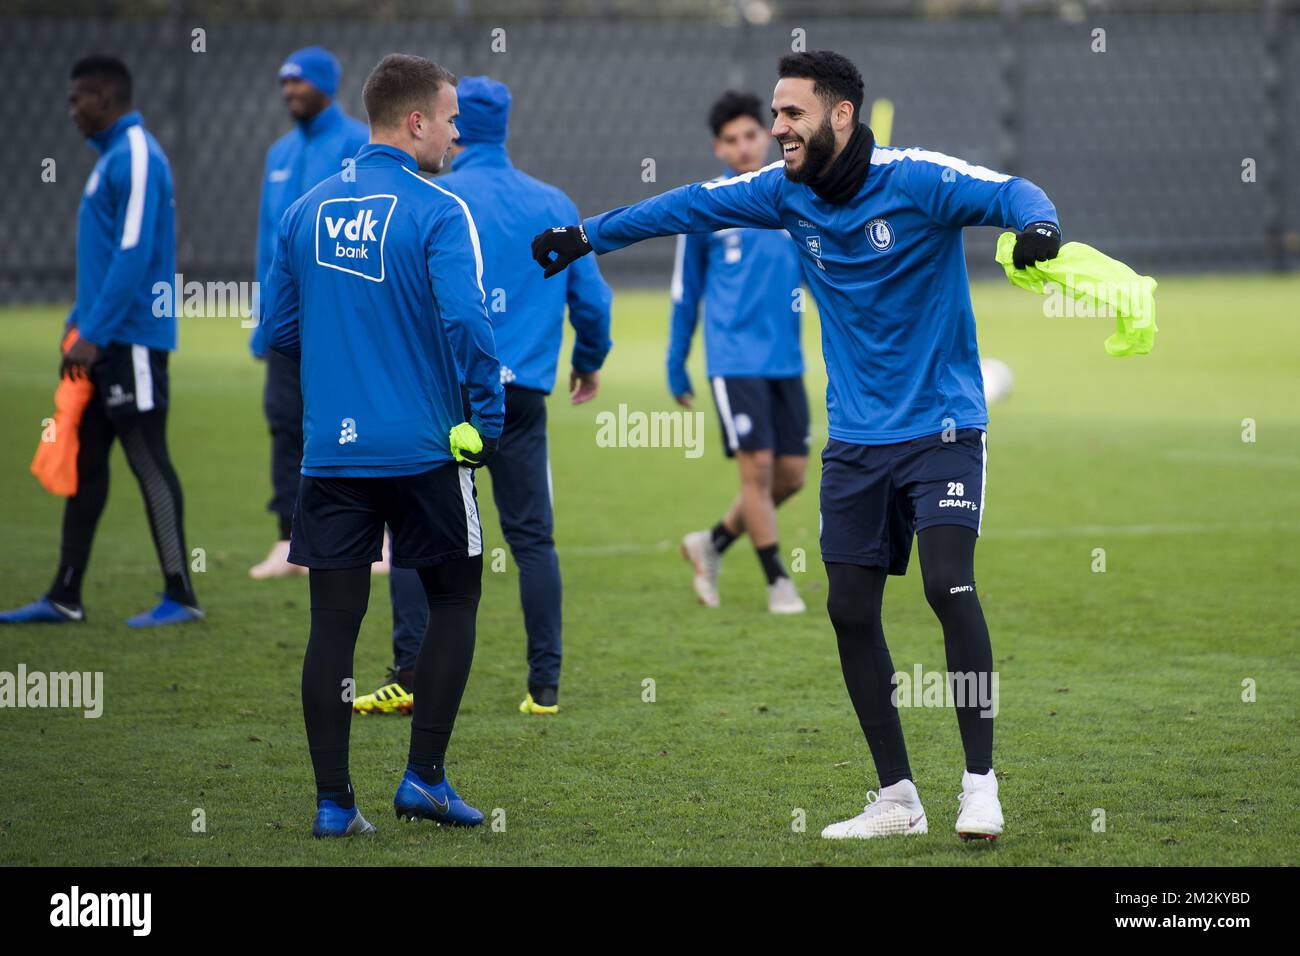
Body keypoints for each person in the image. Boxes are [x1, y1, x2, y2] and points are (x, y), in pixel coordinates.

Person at [531, 50, 1064, 842]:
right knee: (850, 610)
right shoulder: (783, 194)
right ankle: (898, 800)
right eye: (775, 115)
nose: (777, 129)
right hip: (855, 438)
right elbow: (685, 207)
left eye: (791, 114)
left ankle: (980, 786)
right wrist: (587, 237)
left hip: (945, 426)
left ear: (840, 115)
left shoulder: (918, 179)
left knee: (948, 586)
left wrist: (1038, 226)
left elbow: (1014, 191)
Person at [258, 53, 504, 837]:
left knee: (332, 625)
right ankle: (424, 778)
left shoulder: (303, 212)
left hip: (331, 454)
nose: (457, 133)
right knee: (456, 599)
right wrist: (488, 421)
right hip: (427, 450)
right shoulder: (437, 210)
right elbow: (468, 324)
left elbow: (279, 332)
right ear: (417, 122)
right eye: (451, 117)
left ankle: (334, 804)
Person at [353, 76, 612, 719]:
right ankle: (543, 687)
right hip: (521, 396)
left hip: (444, 397)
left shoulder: (432, 196)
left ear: (456, 126)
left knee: (416, 535)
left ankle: (409, 675)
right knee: (532, 541)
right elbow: (595, 304)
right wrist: (587, 363)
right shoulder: (551, 201)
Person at [1, 56, 202, 629]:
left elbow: (134, 253)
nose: (71, 112)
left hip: (131, 341)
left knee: (148, 459)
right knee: (87, 464)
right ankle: (65, 595)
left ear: (104, 97)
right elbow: (103, 259)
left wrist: (94, 333)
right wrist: (77, 325)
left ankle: (181, 594)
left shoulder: (136, 154)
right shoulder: (111, 158)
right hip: (101, 338)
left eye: (76, 100)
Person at [670, 91, 809, 615]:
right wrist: (675, 360)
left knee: (791, 476)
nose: (744, 146)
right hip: (733, 361)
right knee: (756, 472)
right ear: (718, 148)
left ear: (767, 135)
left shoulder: (792, 197)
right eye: (732, 140)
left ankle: (713, 543)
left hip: (785, 361)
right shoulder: (710, 205)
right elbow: (685, 293)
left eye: (752, 134)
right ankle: (779, 582)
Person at [248, 46, 369, 580]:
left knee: (353, 424)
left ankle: (376, 534)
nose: (289, 92)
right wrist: (262, 318)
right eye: (283, 83)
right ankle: (287, 538)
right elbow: (265, 245)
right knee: (283, 419)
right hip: (287, 318)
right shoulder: (278, 153)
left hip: (343, 322)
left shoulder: (356, 143)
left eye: (298, 82)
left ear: (325, 85)